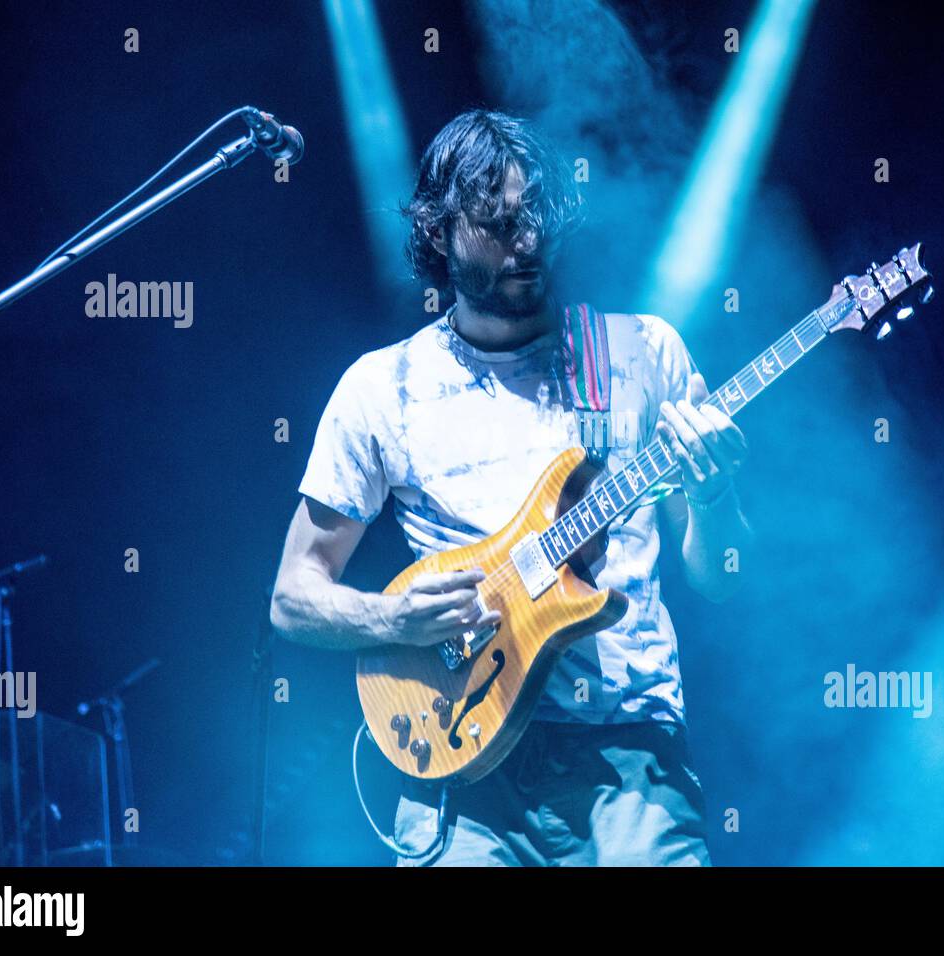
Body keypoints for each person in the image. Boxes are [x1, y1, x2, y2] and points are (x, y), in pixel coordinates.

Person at [270, 109, 753, 865]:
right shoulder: (382, 387)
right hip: (462, 773)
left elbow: (723, 580)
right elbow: (293, 595)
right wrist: (394, 619)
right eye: (497, 224)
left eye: (536, 218)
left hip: (630, 761)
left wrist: (718, 496)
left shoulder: (641, 352)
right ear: (438, 231)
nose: (526, 243)